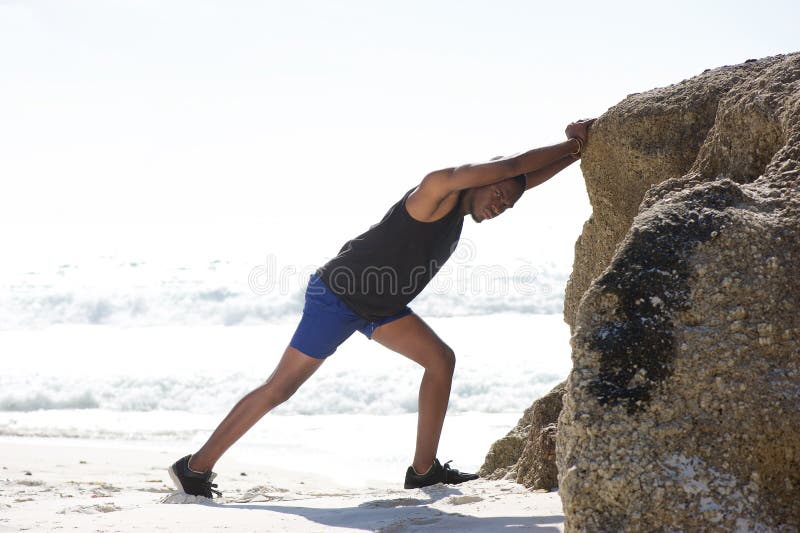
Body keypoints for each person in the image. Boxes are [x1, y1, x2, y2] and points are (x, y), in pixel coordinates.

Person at [168, 119, 596, 498]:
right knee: (281, 387)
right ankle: (194, 468)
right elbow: (509, 168)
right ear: (480, 178)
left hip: (381, 306)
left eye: (508, 205)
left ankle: (424, 472)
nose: (500, 205)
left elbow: (518, 178)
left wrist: (576, 154)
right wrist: (567, 141)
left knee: (440, 360)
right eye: (499, 196)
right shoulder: (437, 188)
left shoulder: (468, 207)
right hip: (338, 297)